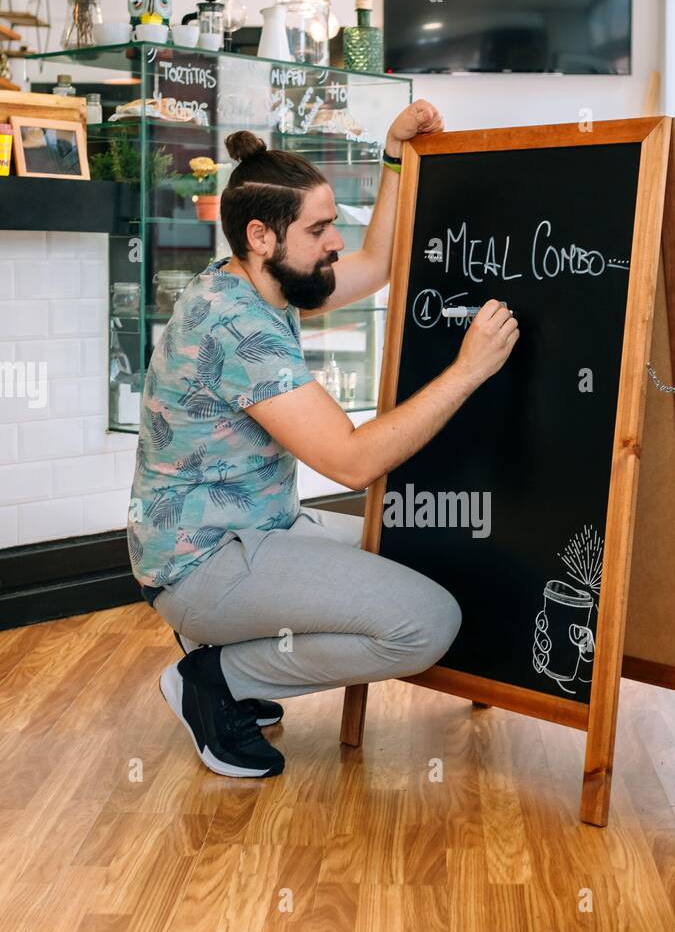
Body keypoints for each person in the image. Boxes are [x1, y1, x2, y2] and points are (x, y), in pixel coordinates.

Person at [128, 102, 519, 778]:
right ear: (261, 235)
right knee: (424, 621)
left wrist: (393, 154)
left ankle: (228, 654)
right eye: (320, 227)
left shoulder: (264, 283)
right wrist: (467, 371)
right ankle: (216, 678)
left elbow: (376, 263)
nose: (334, 240)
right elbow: (351, 461)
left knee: (433, 555)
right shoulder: (235, 326)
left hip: (257, 530)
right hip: (203, 563)